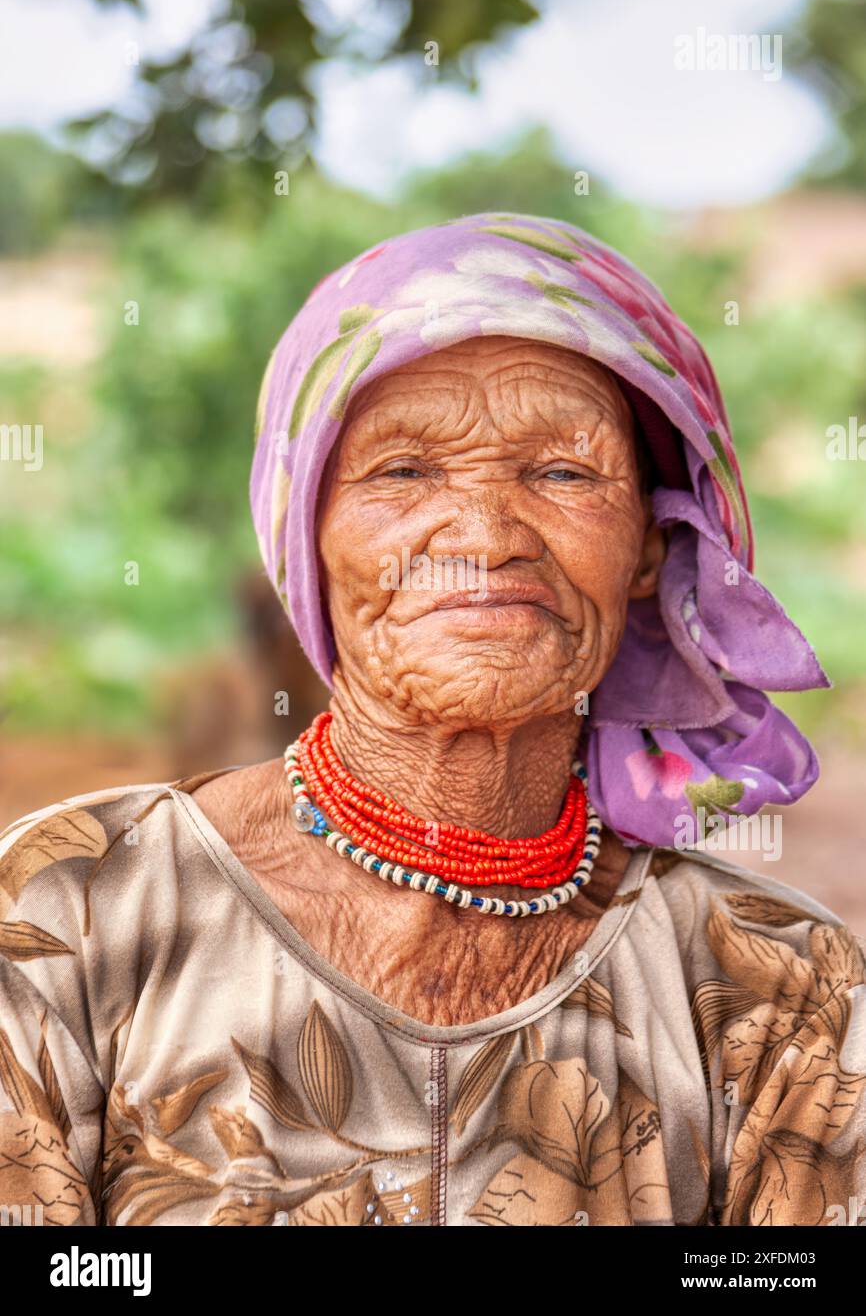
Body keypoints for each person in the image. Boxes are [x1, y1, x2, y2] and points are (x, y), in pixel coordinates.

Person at [1, 213, 863, 1227]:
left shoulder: (775, 982)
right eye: (401, 472)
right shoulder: (72, 908)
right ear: (302, 535)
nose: (484, 536)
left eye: (562, 472)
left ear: (644, 549)